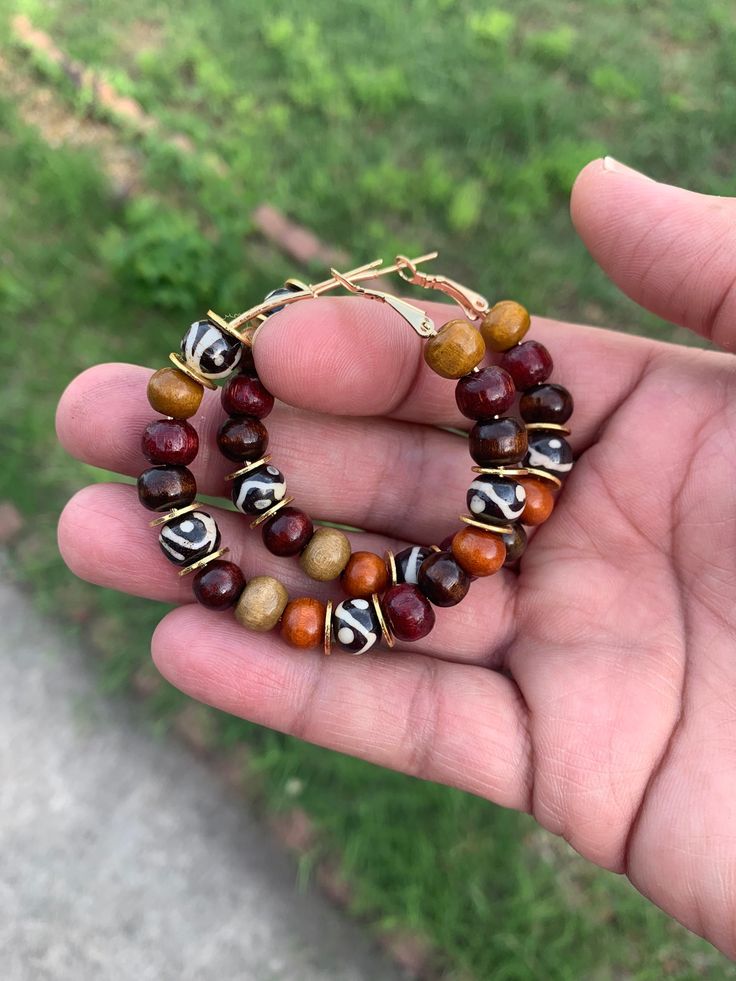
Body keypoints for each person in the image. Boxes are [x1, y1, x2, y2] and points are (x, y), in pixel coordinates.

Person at [56, 157, 736, 959]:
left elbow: (516, 459)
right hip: (397, 571)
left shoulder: (503, 484)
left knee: (502, 461)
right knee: (272, 486)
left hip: (443, 556)